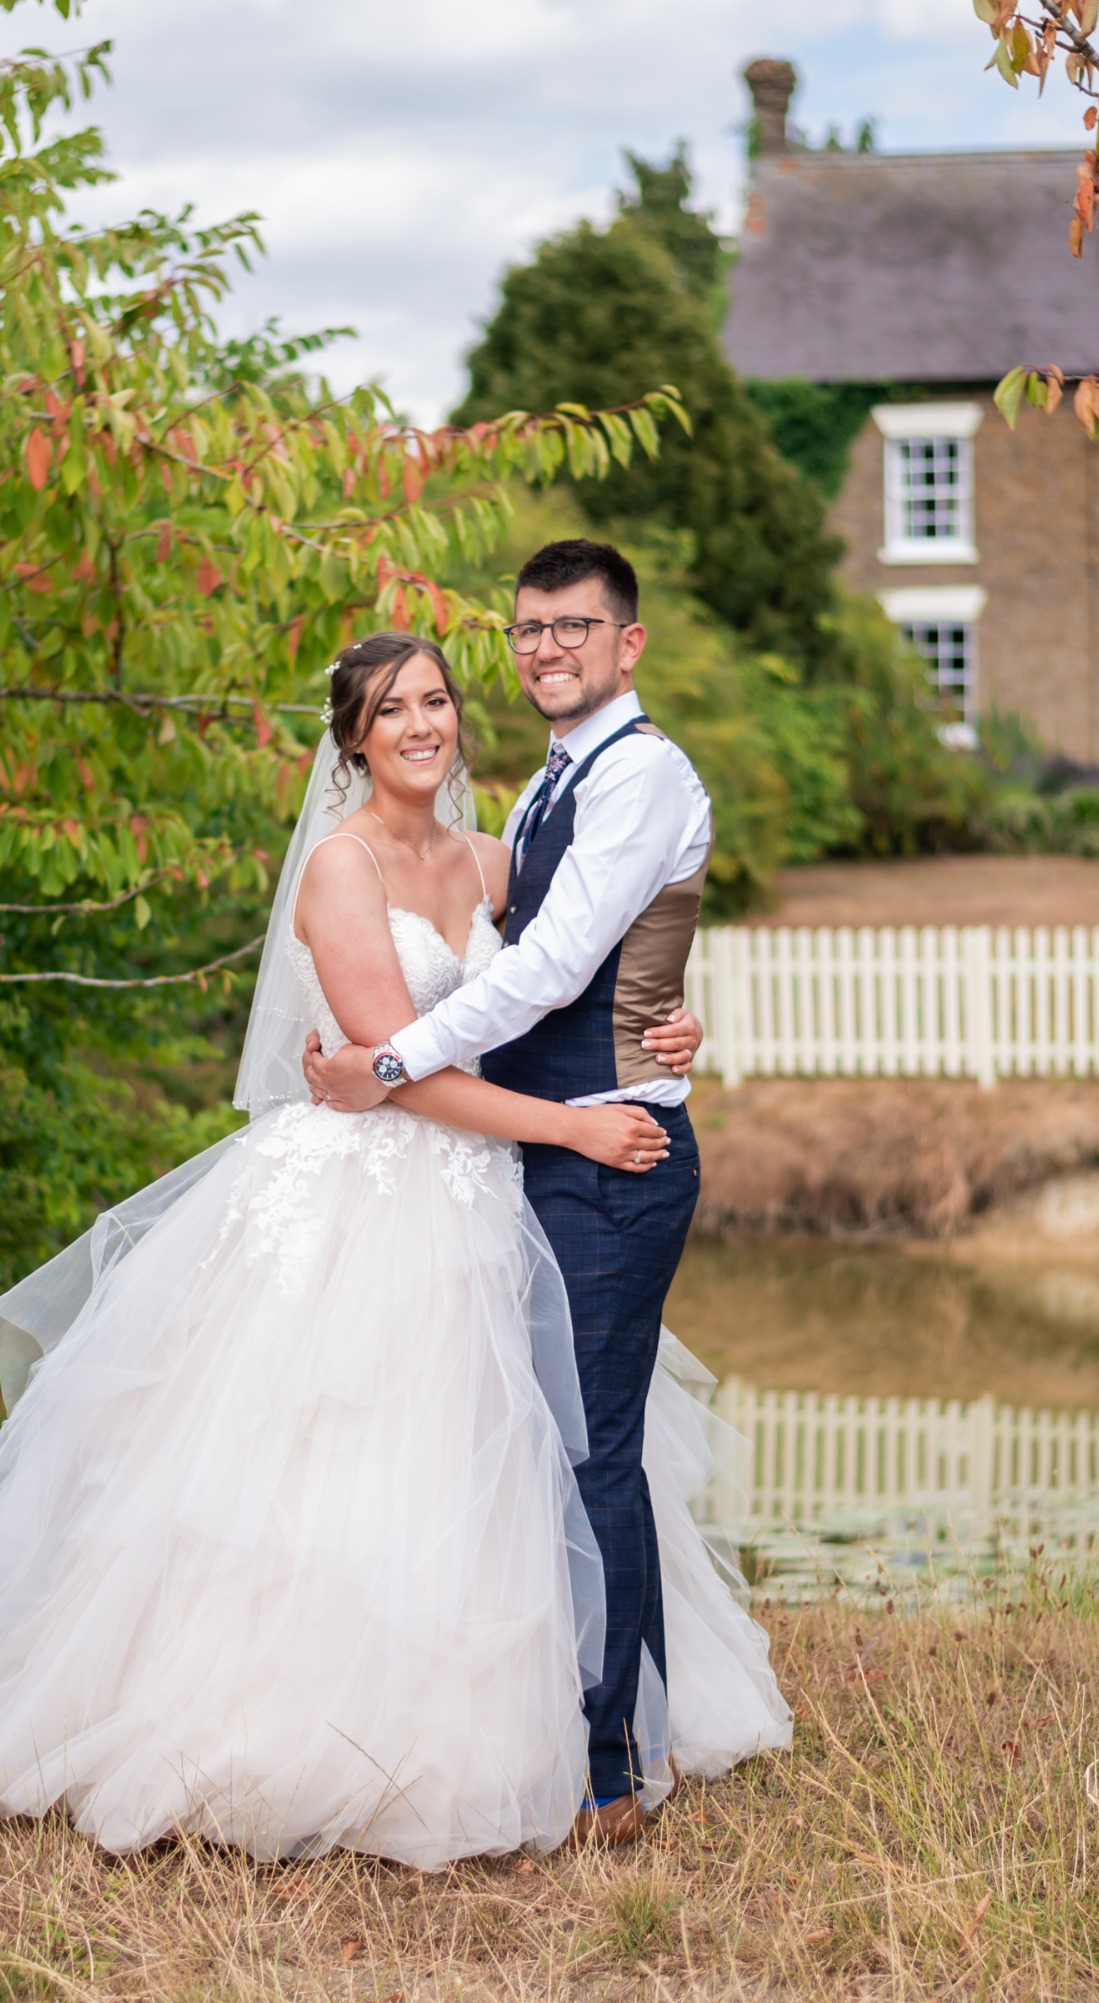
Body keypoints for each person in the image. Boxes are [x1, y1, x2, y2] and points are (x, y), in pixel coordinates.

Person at [0, 629, 788, 1868]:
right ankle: (286, 1727)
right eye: (392, 710)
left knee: (494, 1456)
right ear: (352, 737)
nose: (422, 725)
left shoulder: (494, 860)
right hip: (370, 1193)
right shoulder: (338, 871)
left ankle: (541, 1721)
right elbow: (401, 1072)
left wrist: (667, 1023)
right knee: (331, 1456)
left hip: (484, 1194)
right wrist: (572, 1128)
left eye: (438, 699)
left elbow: (583, 966)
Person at [304, 540, 742, 1847]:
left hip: (602, 1154)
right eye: (530, 628)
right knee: (528, 1453)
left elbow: (550, 966)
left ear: (629, 641)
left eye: (575, 626)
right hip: (513, 1158)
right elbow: (589, 954)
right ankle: (580, 1732)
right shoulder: (549, 789)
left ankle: (612, 1766)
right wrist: (659, 1015)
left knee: (588, 1454)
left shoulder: (642, 772)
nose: (547, 646)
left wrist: (387, 1062)